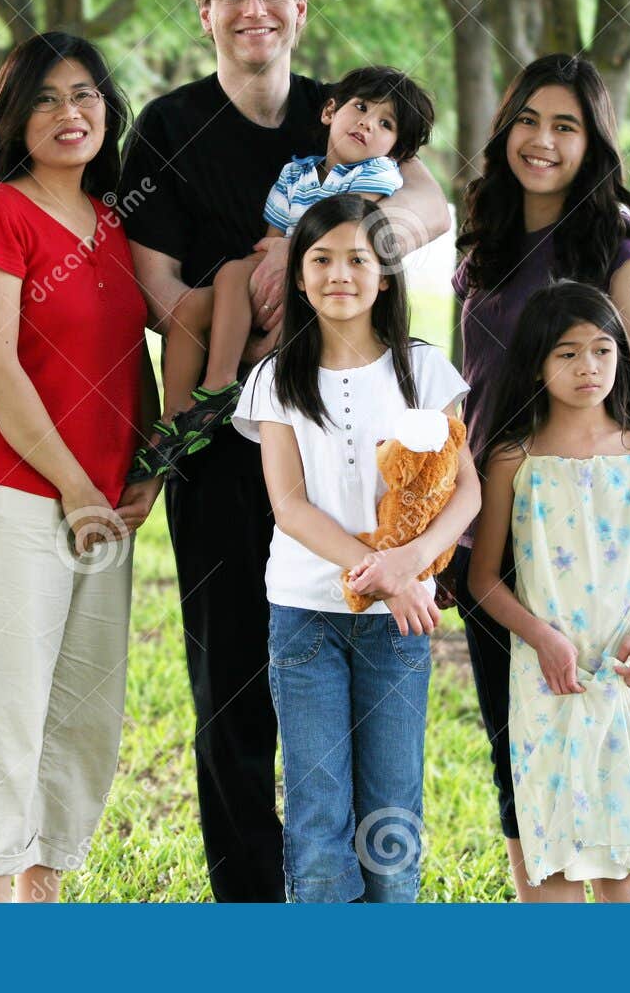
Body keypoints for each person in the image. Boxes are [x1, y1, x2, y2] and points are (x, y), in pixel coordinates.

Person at [118, 0, 451, 902]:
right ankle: (252, 905)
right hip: (221, 443)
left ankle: (356, 894)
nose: (252, 9)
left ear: (300, 8)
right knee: (230, 685)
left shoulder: (342, 113)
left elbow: (431, 194)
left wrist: (342, 246)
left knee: (353, 673)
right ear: (206, 11)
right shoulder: (167, 127)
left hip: (343, 437)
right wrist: (246, 341)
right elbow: (154, 284)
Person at [0, 32, 161, 902]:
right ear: (12, 114)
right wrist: (73, 487)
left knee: (82, 719)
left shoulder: (111, 221)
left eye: (85, 96)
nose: (69, 114)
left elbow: (125, 352)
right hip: (14, 492)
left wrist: (144, 460)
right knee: (10, 713)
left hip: (104, 502)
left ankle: (43, 907)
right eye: (46, 99)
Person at [447, 53, 630, 897]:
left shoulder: (617, 244)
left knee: (602, 732)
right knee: (520, 741)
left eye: (566, 126)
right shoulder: (486, 243)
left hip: (577, 534)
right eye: (529, 120)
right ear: (506, 129)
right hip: (486, 529)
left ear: (592, 142)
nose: (542, 140)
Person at [234, 195, 478, 902]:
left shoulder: (425, 372)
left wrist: (408, 568)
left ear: (386, 275)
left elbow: (466, 491)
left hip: (398, 626)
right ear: (300, 277)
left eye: (358, 259)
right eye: (321, 259)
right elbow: (290, 504)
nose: (340, 273)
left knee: (392, 821)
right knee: (316, 823)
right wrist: (376, 570)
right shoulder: (274, 379)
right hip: (304, 618)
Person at [467, 281, 630, 902]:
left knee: (625, 867)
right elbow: (481, 577)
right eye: (567, 353)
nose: (588, 367)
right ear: (537, 364)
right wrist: (541, 638)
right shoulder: (513, 457)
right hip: (545, 678)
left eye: (602, 350)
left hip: (626, 676)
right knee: (554, 860)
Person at [145, 66, 435, 470]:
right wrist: (266, 269)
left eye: (385, 124)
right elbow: (270, 240)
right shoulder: (295, 174)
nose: (368, 124)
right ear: (330, 111)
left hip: (318, 289)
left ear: (395, 148)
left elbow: (341, 227)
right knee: (192, 307)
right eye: (361, 108)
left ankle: (219, 386)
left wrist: (285, 256)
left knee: (231, 273)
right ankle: (174, 420)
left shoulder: (375, 173)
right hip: (278, 275)